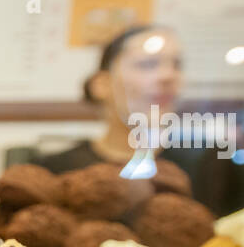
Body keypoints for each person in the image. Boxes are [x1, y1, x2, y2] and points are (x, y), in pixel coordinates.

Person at [33, 24, 198, 177]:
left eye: (177, 65)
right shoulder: (57, 171)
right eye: (148, 65)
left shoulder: (203, 167)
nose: (168, 76)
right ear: (102, 84)